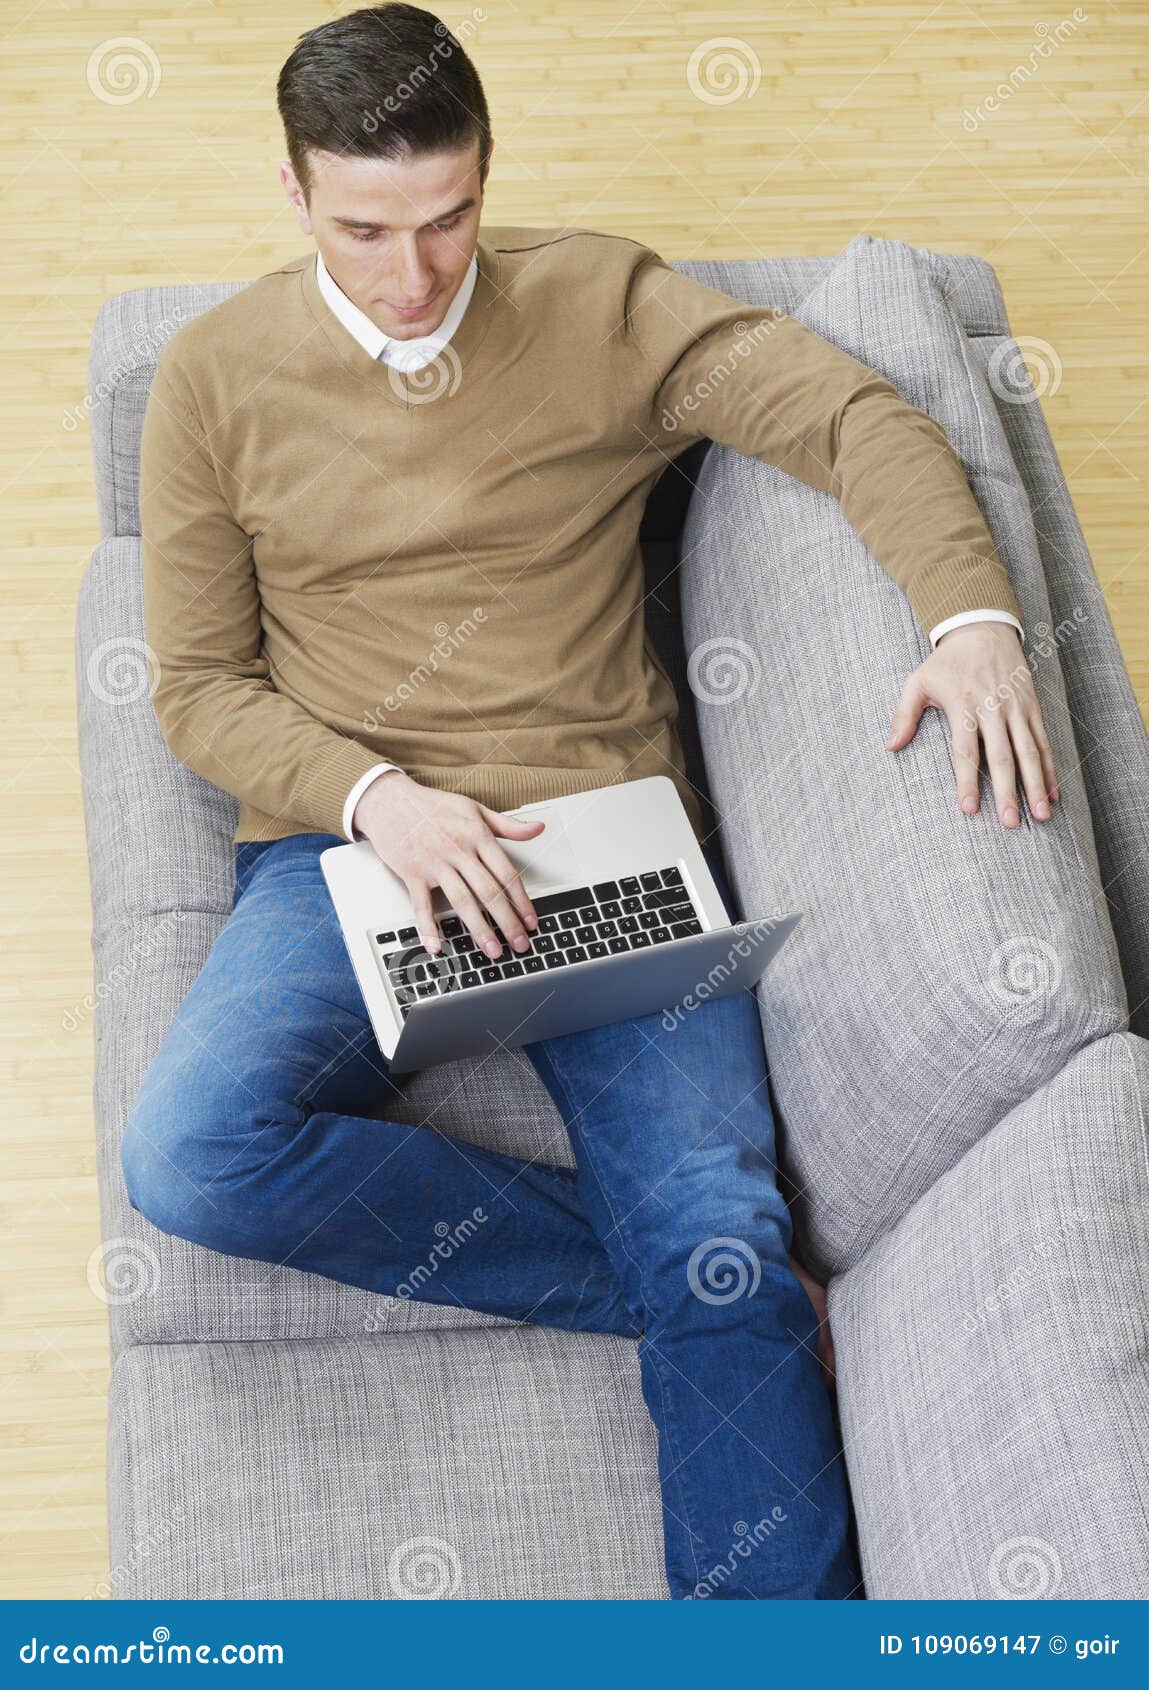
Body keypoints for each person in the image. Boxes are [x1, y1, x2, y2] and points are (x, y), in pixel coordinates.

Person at [120, 3, 1060, 1601]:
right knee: (192, 1157)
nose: (413, 279)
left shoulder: (597, 304)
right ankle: (692, 1287)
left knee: (716, 1229)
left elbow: (845, 413)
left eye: (448, 219)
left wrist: (970, 622)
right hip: (361, 851)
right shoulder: (212, 377)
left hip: (603, 847)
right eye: (362, 231)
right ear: (290, 198)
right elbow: (199, 685)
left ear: (487, 180)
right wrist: (372, 797)